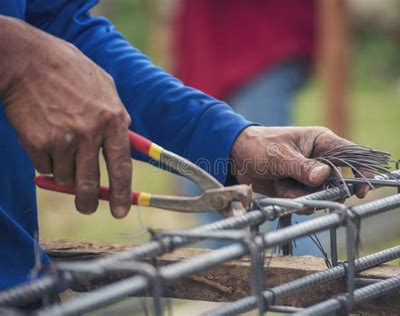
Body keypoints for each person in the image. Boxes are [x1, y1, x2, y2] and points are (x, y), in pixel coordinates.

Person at [0, 1, 368, 291]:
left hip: (23, 279)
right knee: (234, 236)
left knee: (249, 228)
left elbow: (57, 29)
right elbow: (35, 47)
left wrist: (232, 140)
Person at [173, 0, 319, 253]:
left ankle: (314, 283)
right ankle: (231, 286)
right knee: (207, 184)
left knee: (278, 186)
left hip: (263, 41)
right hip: (207, 46)